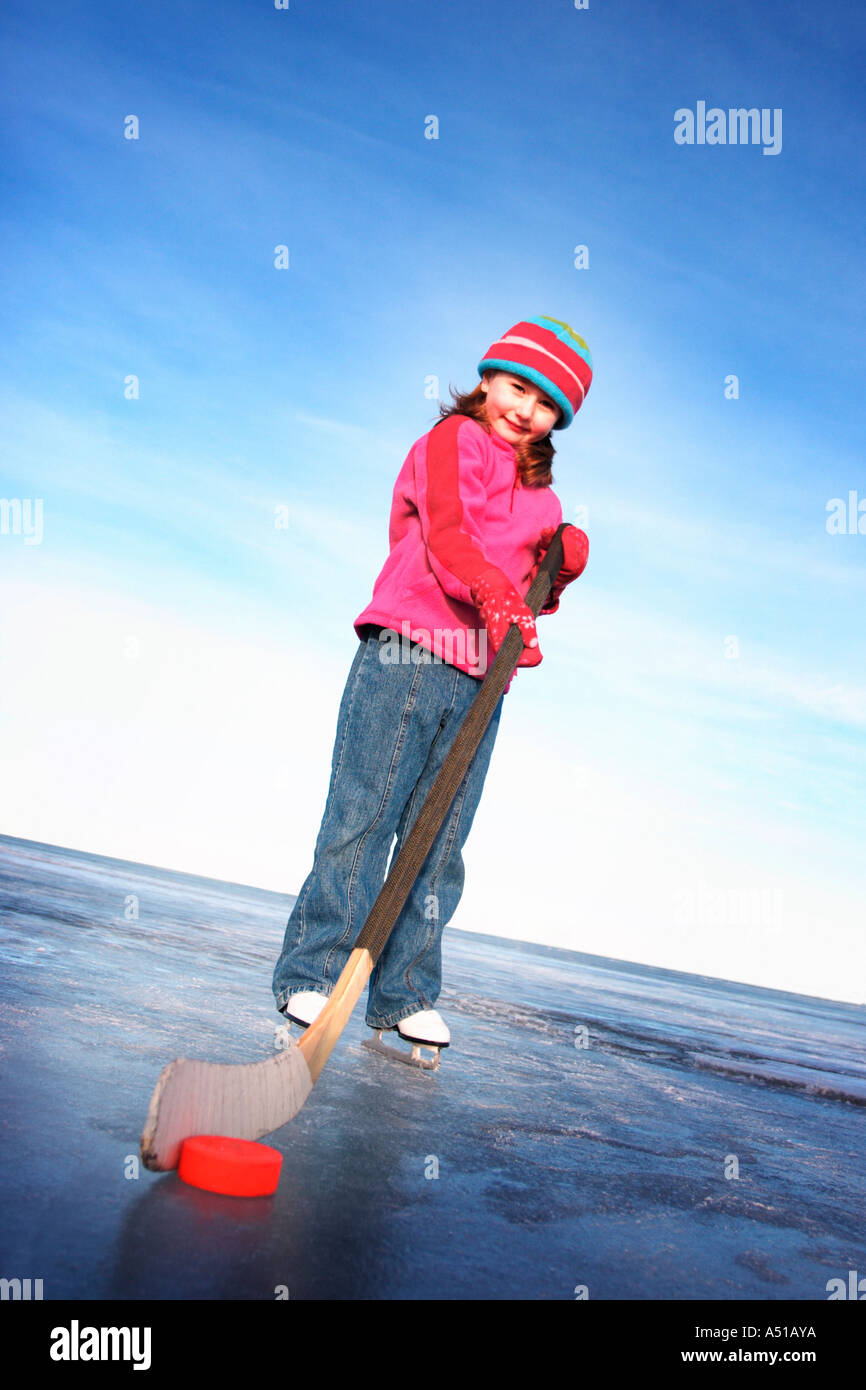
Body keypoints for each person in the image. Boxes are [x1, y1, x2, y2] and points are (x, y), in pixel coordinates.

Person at [272, 315, 592, 1052]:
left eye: (547, 405)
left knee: (441, 842)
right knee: (366, 816)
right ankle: (310, 976)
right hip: (409, 649)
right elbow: (449, 536)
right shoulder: (452, 442)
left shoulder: (542, 499)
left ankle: (404, 993)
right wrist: (498, 593)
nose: (526, 409)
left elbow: (530, 598)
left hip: (483, 681)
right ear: (486, 379)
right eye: (517, 386)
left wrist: (560, 570)